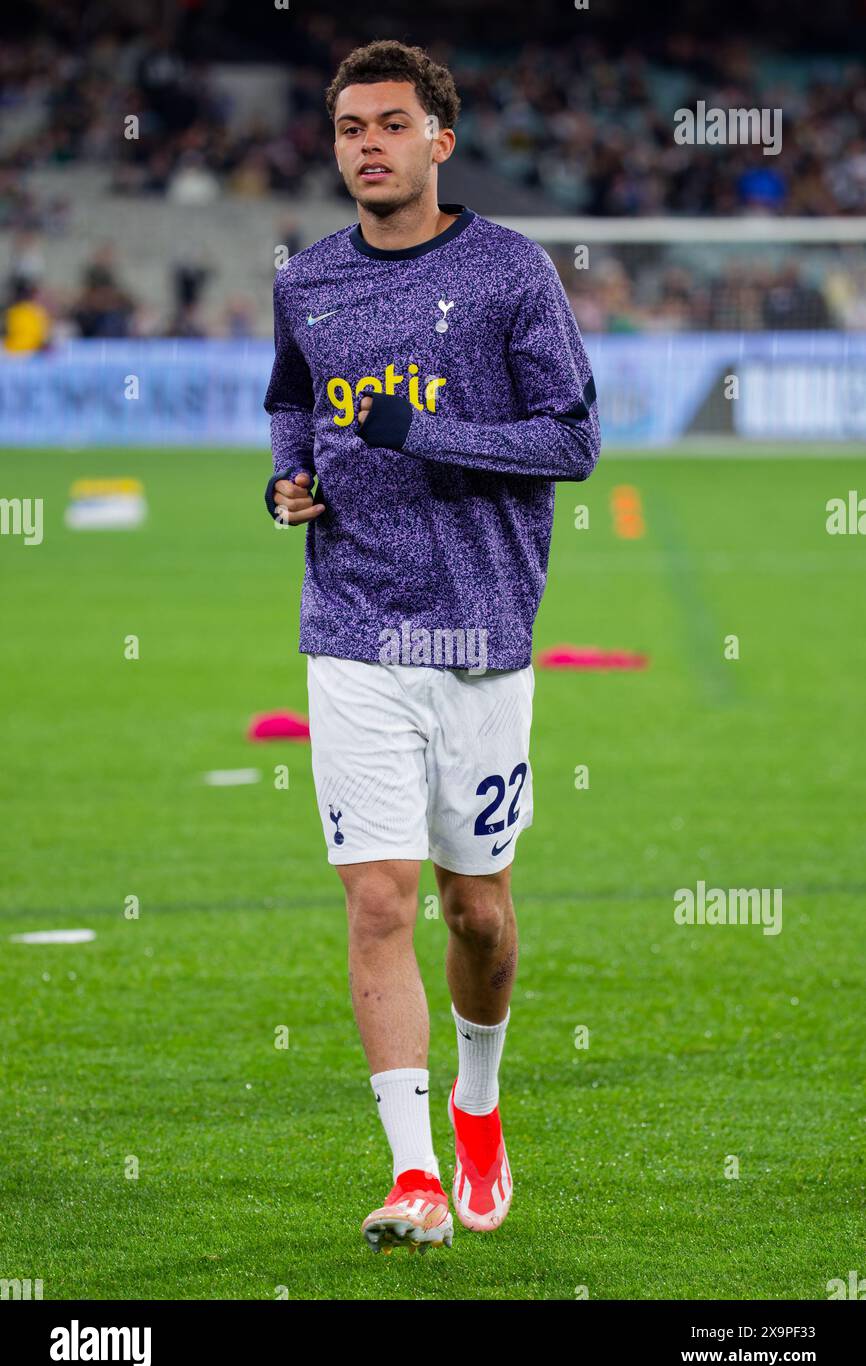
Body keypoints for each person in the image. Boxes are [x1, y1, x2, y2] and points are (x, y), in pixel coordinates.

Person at [262, 39, 600, 1253]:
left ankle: (477, 1105)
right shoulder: (306, 282)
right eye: (351, 126)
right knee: (375, 899)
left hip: (480, 637)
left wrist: (432, 432)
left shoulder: (511, 274)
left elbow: (572, 441)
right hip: (350, 629)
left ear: (438, 140)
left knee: (478, 917)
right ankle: (410, 1177)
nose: (367, 144)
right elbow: (290, 396)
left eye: (391, 124)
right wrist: (287, 476)